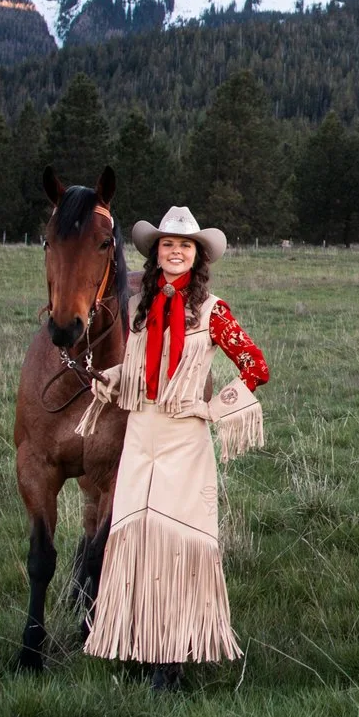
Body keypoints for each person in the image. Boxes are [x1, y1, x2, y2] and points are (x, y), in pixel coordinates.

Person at [81, 205, 270, 689]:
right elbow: (142, 371)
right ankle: (141, 646)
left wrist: (214, 408)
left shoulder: (213, 311)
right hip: (142, 436)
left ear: (197, 256)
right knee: (139, 539)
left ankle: (172, 661)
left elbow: (254, 365)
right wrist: (111, 379)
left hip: (185, 443)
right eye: (168, 245)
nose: (176, 252)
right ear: (156, 253)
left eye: (185, 246)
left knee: (176, 545)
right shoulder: (138, 310)